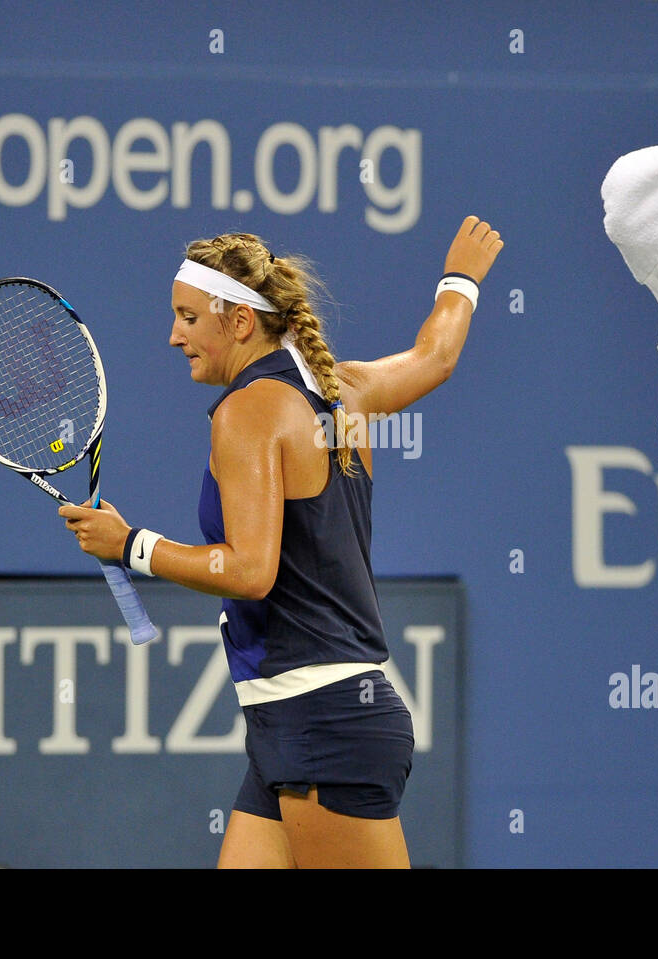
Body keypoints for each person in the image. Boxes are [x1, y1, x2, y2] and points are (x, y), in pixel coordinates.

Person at [60, 215, 503, 867]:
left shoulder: (249, 411)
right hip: (298, 722)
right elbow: (435, 356)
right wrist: (460, 278)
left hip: (321, 722)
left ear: (239, 321)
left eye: (187, 316)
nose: (173, 335)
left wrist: (131, 545)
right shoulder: (341, 389)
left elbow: (250, 571)